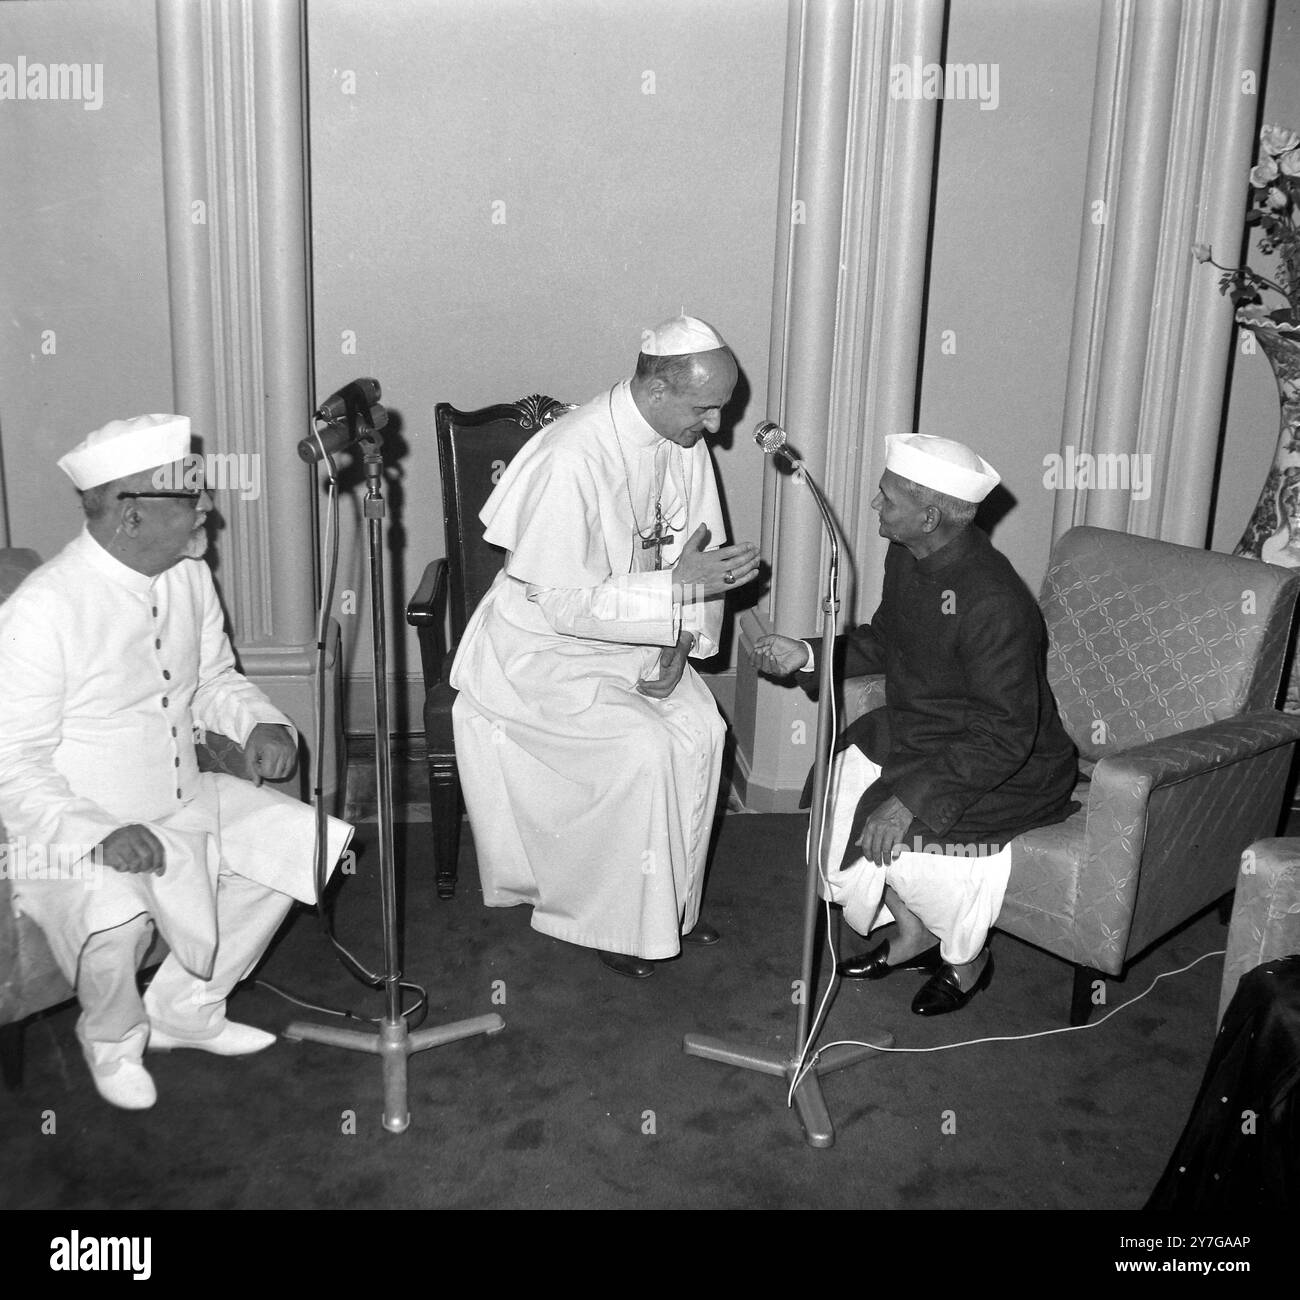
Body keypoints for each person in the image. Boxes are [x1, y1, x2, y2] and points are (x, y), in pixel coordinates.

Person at [0, 414, 353, 1109]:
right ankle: (112, 1041)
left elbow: (214, 679)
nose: (209, 511)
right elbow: (12, 760)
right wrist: (95, 833)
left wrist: (259, 725)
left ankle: (184, 1010)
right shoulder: (43, 612)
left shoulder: (186, 575)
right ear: (131, 514)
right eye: (191, 498)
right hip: (78, 828)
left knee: (304, 843)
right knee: (115, 915)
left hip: (185, 797)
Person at [450, 314, 761, 978]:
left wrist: (681, 639)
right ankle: (609, 921)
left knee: (703, 729)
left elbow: (695, 556)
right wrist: (670, 592)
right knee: (640, 749)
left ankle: (670, 908)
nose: (715, 428)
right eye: (706, 409)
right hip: (539, 651)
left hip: (635, 638)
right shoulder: (573, 455)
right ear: (657, 389)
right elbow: (561, 604)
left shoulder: (680, 441)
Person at [754, 434, 1077, 1015]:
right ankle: (914, 936)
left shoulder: (993, 602)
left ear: (930, 516)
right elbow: (885, 640)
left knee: (901, 847)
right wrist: (808, 654)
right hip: (918, 735)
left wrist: (909, 801)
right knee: (832, 834)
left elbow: (1006, 733)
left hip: (1005, 765)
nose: (875, 508)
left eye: (886, 498)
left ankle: (967, 959)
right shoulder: (908, 554)